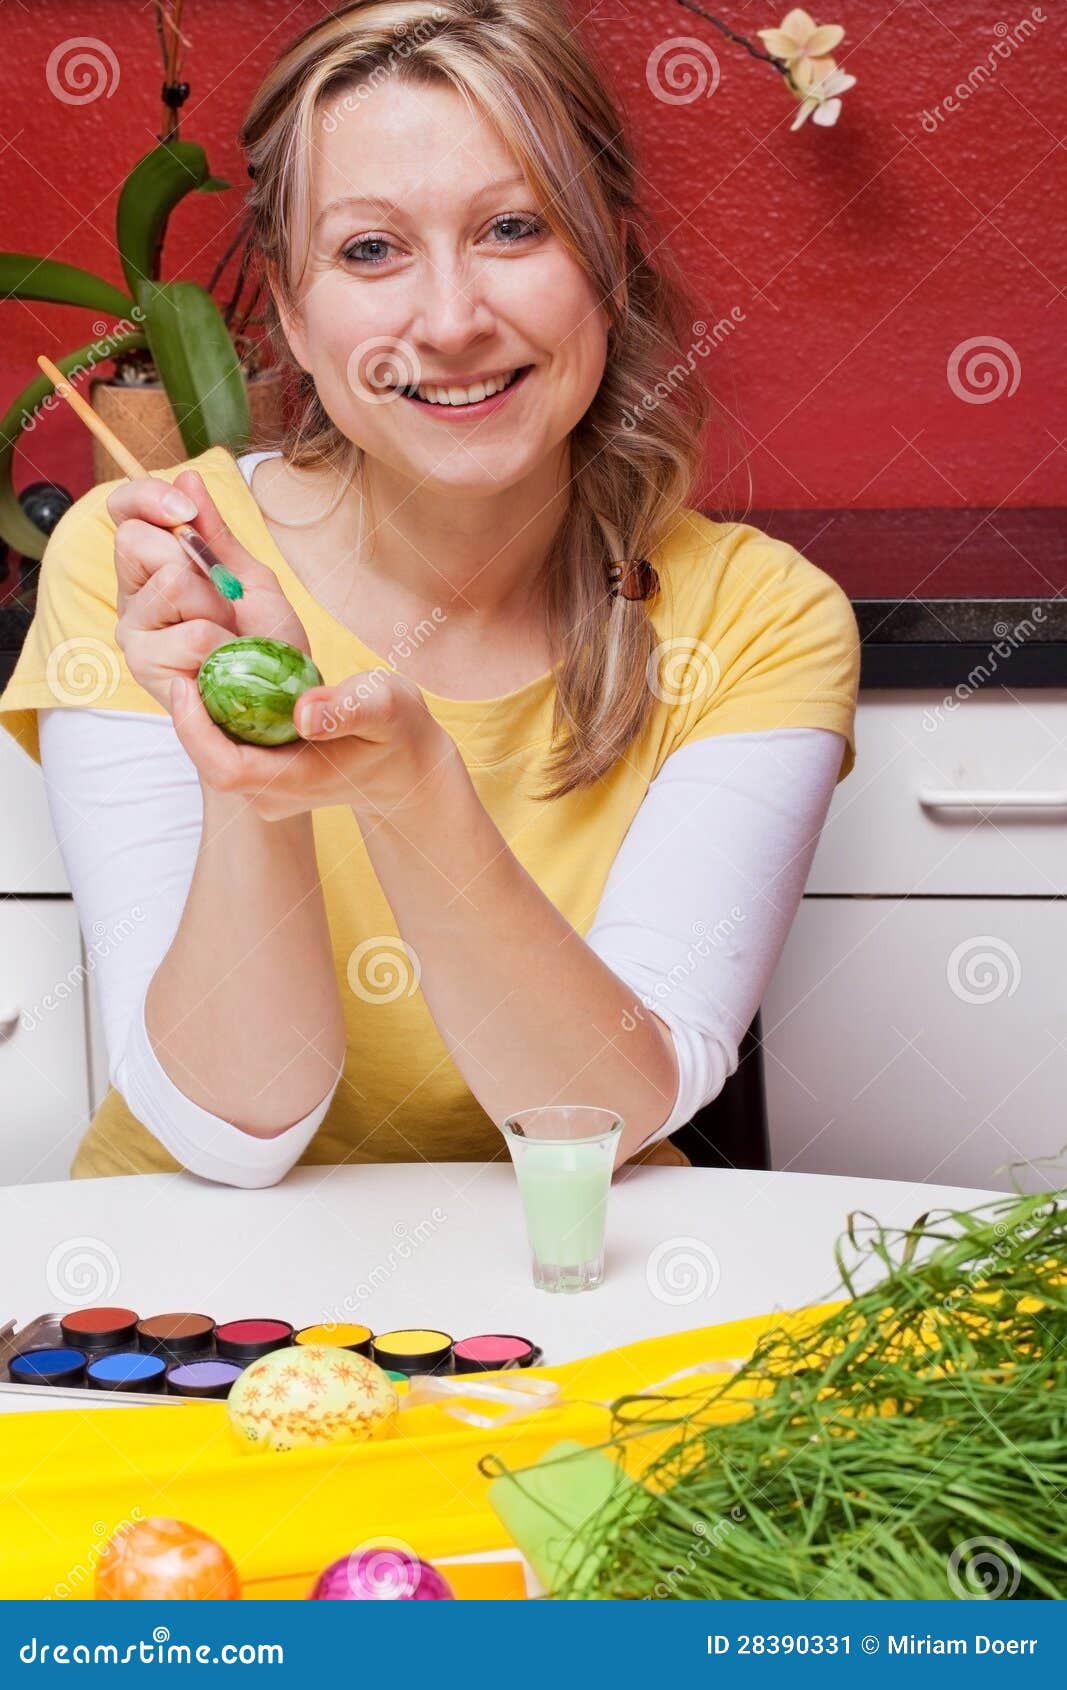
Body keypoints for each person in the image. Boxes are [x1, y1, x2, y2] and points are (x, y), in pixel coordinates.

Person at [0, 0, 859, 1186]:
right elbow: (230, 1139)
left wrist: (413, 790)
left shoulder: (760, 619)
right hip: (185, 1274)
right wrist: (256, 765)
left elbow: (597, 1120)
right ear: (293, 312)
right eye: (369, 250)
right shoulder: (153, 559)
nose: (451, 322)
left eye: (512, 228)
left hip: (567, 1272)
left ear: (605, 262)